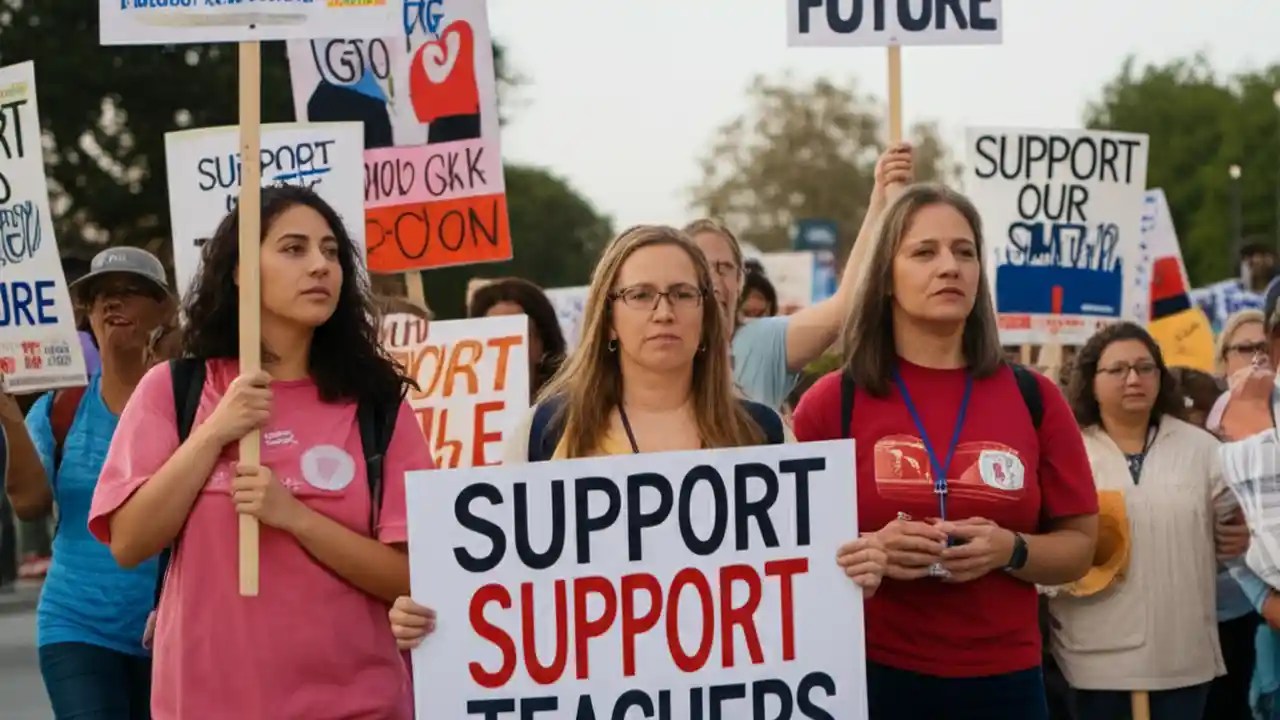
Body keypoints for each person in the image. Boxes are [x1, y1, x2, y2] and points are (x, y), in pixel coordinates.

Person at [387, 224, 889, 648]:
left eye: (683, 294)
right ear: (608, 319)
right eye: (641, 295)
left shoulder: (764, 434)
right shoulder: (545, 432)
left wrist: (849, 574)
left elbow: (803, 586)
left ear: (707, 319)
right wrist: (434, 615)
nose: (664, 311)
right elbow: (498, 590)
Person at [88, 186, 431, 719]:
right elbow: (130, 542)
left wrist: (295, 518)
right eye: (294, 249)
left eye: (332, 252)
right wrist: (214, 433)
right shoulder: (172, 390)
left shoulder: (377, 406)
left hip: (358, 702)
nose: (320, 266)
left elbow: (414, 577)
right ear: (241, 271)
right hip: (206, 701)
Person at [790, 184, 1099, 720]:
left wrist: (1012, 549)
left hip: (1007, 683)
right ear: (886, 276)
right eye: (924, 252)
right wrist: (873, 548)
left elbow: (1080, 546)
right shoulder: (829, 404)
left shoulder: (1036, 398)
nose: (950, 266)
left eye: (965, 251)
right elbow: (793, 565)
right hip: (871, 676)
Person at [4, 246, 175, 719]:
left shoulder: (191, 406)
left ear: (164, 308)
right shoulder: (60, 408)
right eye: (99, 297)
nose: (111, 305)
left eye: (127, 293)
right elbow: (30, 504)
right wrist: (6, 412)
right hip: (76, 628)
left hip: (171, 631)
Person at [1051, 322, 1234, 720]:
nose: (1133, 378)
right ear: (1091, 380)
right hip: (1092, 660)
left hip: (1182, 656)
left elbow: (1236, 530)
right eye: (1117, 370)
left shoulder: (1202, 449)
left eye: (1144, 367)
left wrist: (1239, 535)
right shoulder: (1065, 452)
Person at [684, 144, 914, 410]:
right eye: (702, 267)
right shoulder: (653, 350)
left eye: (724, 268)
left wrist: (880, 202)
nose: (714, 280)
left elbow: (846, 306)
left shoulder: (764, 343)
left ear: (740, 281)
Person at [467, 277, 568, 400]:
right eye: (493, 334)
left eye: (516, 334)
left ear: (542, 343)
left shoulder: (568, 409)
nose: (503, 348)